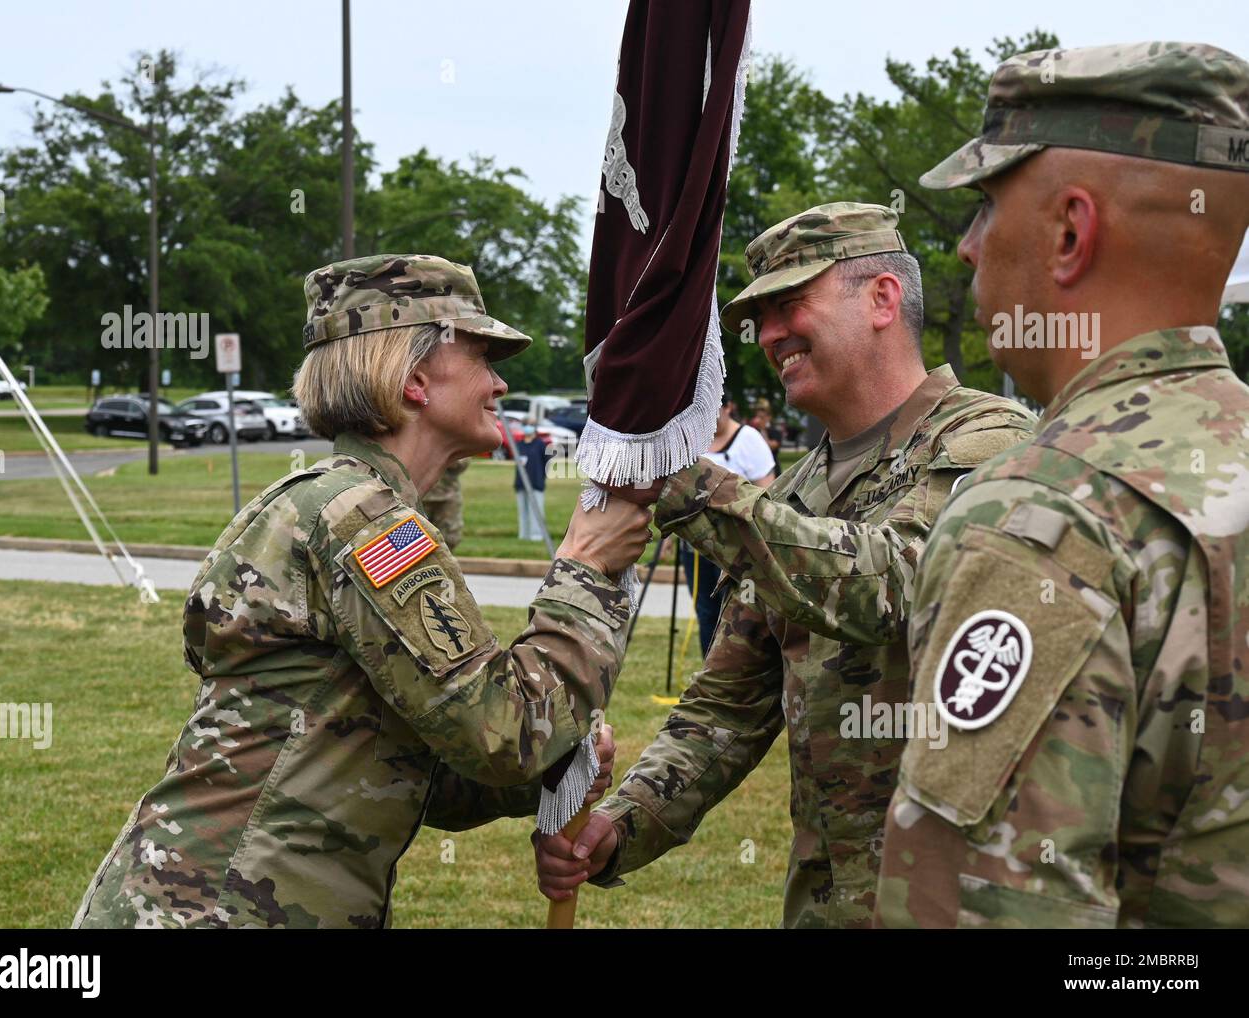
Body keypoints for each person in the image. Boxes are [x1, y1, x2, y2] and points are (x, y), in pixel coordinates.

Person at [72, 253, 652, 929]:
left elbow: (409, 770)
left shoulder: (354, 505)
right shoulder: (359, 518)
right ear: (413, 380)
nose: (498, 381)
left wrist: (551, 775)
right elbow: (502, 731)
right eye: (481, 355)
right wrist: (583, 567)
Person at [535, 202, 1036, 927]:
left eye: (789, 304)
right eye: (760, 315)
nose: (768, 335)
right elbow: (726, 711)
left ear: (883, 298)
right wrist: (617, 826)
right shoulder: (797, 495)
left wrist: (680, 481)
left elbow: (894, 584)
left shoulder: (990, 440)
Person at [872, 42, 1249, 929]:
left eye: (986, 206)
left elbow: (982, 911)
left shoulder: (1045, 511)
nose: (967, 249)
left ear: (1071, 232)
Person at [680, 395, 776, 656]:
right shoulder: (694, 440)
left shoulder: (749, 440)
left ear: (728, 407)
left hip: (737, 547)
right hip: (696, 547)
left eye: (713, 411)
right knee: (705, 611)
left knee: (738, 611)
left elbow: (768, 494)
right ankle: (709, 673)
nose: (707, 419)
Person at [513, 419, 550, 541]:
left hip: (535, 483)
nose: (527, 427)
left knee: (536, 511)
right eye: (525, 425)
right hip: (521, 483)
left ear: (535, 427)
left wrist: (541, 478)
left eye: (530, 425)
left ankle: (537, 536)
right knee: (522, 511)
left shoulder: (540, 444)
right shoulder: (519, 445)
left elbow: (547, 463)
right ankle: (524, 536)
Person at [420, 459, 468, 550]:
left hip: (447, 494)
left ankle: (444, 561)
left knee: (450, 536)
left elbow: (464, 462)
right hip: (419, 494)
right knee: (415, 536)